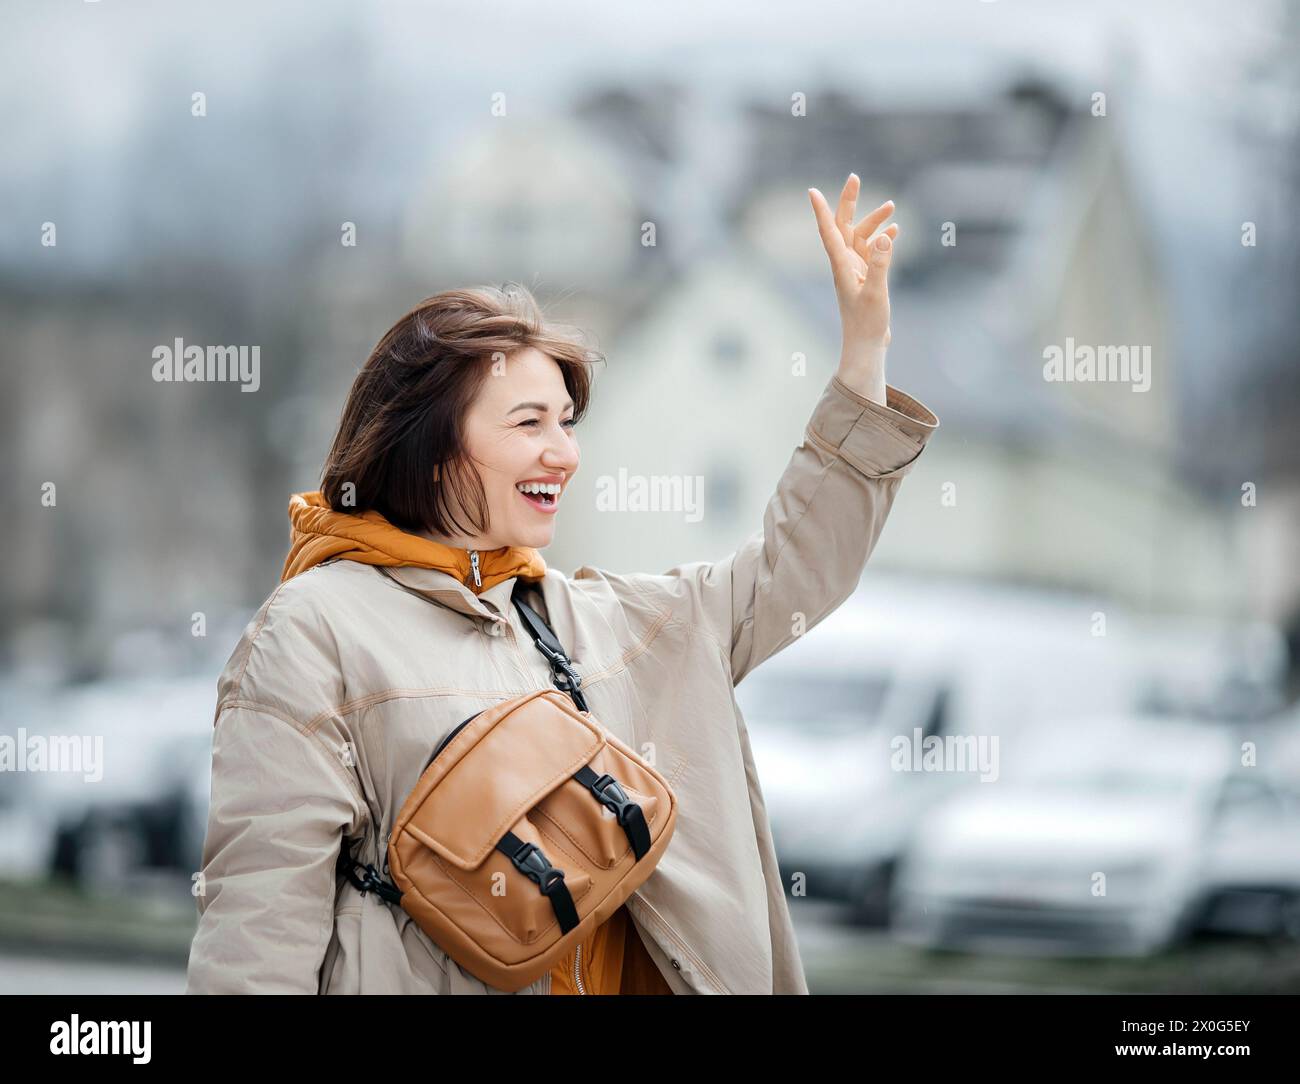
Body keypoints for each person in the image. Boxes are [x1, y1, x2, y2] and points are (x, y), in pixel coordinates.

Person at [185, 173, 940, 994]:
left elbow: (793, 572)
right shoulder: (314, 633)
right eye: (528, 423)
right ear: (431, 447)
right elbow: (257, 935)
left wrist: (863, 357)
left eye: (567, 423)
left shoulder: (612, 622)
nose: (564, 453)